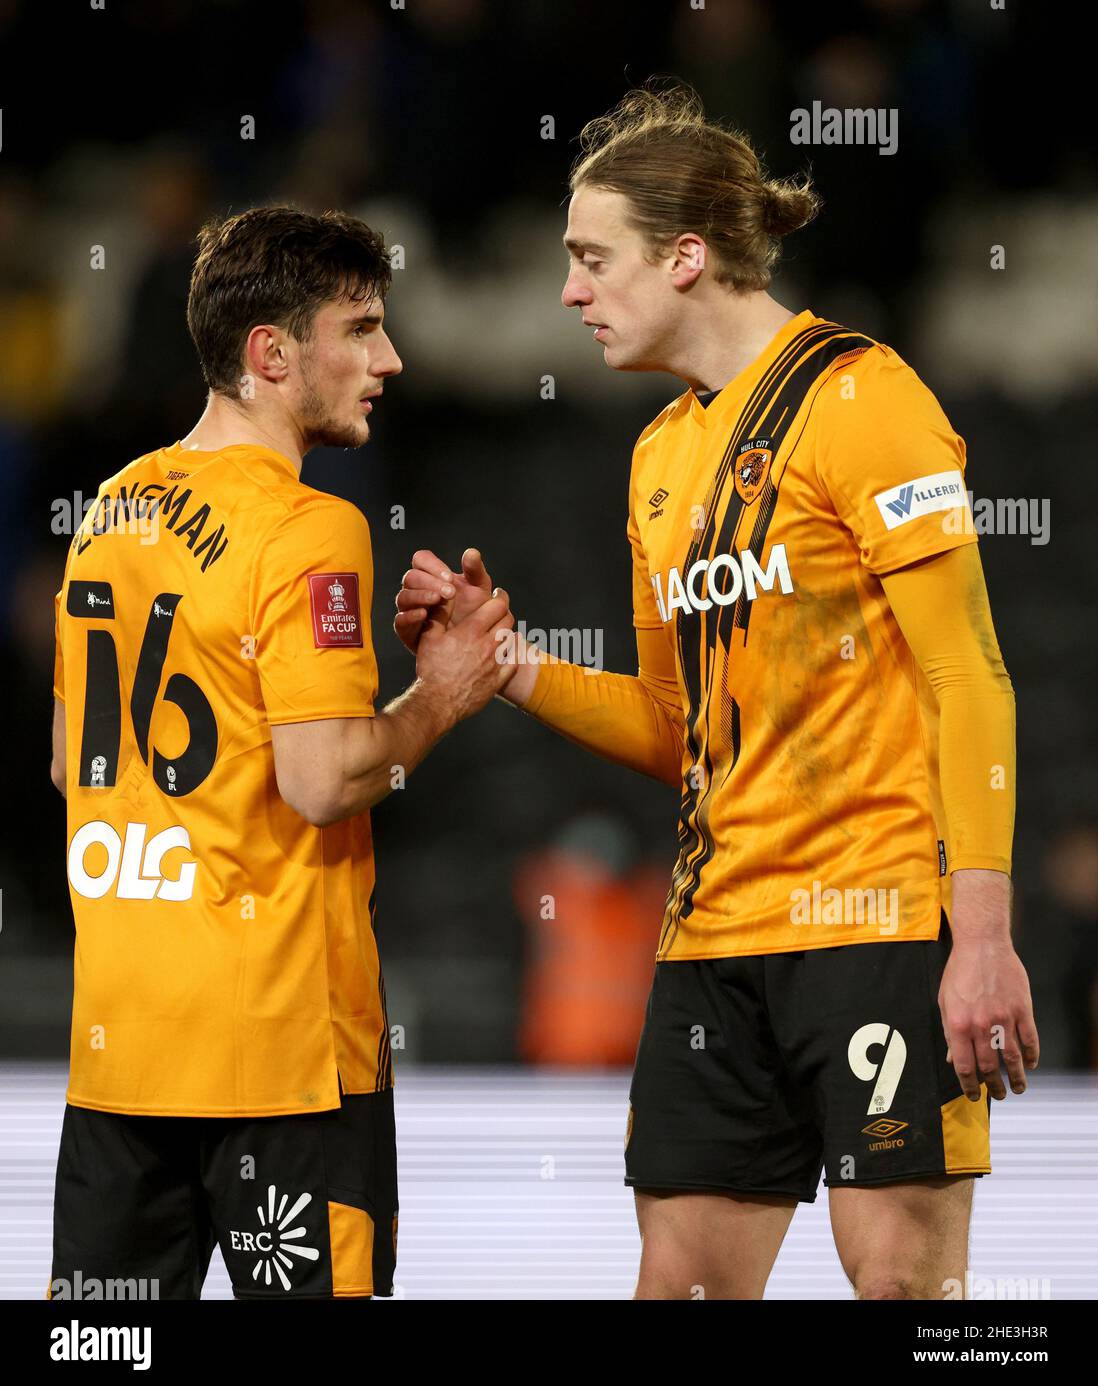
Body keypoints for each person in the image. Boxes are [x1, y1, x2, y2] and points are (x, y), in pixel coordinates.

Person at [394, 85, 1039, 1300]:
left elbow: (973, 673)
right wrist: (514, 667)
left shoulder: (867, 400)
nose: (573, 293)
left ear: (686, 255)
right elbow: (679, 731)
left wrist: (986, 932)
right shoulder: (657, 458)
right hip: (711, 941)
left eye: (593, 259)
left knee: (905, 1290)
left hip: (878, 927)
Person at [48, 205, 514, 1300]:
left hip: (120, 1056)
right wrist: (440, 696)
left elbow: (75, 765)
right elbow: (321, 779)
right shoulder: (311, 528)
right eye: (359, 329)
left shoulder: (106, 508)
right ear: (271, 354)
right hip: (286, 1067)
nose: (388, 360)